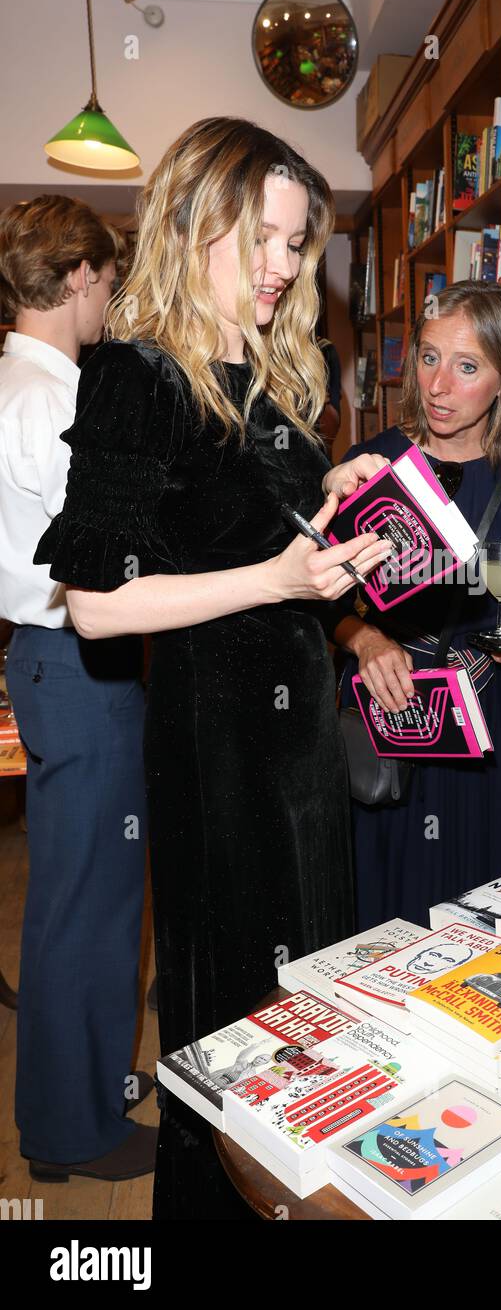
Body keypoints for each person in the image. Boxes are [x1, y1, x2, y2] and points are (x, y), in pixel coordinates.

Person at [34, 118, 390, 1219]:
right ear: (197, 227)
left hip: (300, 751)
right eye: (267, 241)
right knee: (235, 1040)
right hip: (213, 754)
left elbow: (255, 538)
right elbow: (95, 606)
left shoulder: (283, 374)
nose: (288, 268)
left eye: (300, 244)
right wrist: (279, 582)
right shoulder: (136, 377)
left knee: (307, 1026)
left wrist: (340, 502)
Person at [329, 282, 501, 928]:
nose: (439, 385)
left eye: (467, 367)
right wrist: (363, 638)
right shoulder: (374, 465)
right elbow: (311, 594)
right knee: (394, 928)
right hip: (403, 719)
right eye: (429, 357)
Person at [0, 195, 155, 1184]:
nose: (112, 298)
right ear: (79, 277)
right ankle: (69, 1130)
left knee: (90, 892)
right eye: (107, 279)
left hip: (52, 656)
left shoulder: (21, 384)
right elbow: (112, 558)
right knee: (83, 903)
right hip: (77, 659)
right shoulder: (49, 401)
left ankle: (90, 1086)